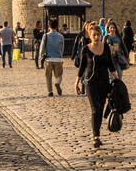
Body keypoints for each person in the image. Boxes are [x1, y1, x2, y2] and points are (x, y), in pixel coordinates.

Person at [75, 21, 120, 149]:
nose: (96, 37)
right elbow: (82, 67)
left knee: (100, 109)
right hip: (90, 83)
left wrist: (117, 81)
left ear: (101, 35)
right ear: (90, 35)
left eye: (98, 35)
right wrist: (77, 82)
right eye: (94, 35)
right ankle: (96, 137)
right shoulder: (86, 49)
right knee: (95, 108)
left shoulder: (106, 48)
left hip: (104, 83)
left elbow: (111, 66)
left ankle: (97, 134)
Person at [41, 18, 65, 95]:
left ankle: (50, 91)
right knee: (59, 75)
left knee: (48, 76)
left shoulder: (46, 35)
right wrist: (61, 55)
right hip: (58, 58)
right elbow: (62, 48)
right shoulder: (61, 36)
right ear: (57, 26)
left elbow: (42, 47)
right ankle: (57, 83)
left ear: (49, 26)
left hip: (48, 58)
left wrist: (41, 55)